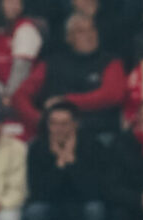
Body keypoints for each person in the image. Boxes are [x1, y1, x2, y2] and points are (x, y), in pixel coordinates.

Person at [24, 14, 126, 142]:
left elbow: (113, 94)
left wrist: (67, 101)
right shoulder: (51, 63)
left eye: (92, 29)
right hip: (55, 134)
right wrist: (38, 119)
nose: (89, 35)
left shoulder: (111, 61)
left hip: (98, 135)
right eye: (81, 31)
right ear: (69, 37)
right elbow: (20, 95)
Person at [23, 101, 109, 220]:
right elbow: (37, 193)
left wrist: (72, 163)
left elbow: (95, 191)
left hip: (82, 205)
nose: (58, 129)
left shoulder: (93, 146)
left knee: (96, 209)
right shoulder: (37, 148)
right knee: (34, 212)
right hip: (52, 206)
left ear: (75, 124)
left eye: (64, 124)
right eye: (54, 124)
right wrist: (60, 165)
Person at [0, 0, 45, 106]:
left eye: (18, 3)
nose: (14, 7)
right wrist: (0, 94)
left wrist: (9, 96)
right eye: (10, 2)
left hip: (21, 98)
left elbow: (21, 71)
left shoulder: (26, 29)